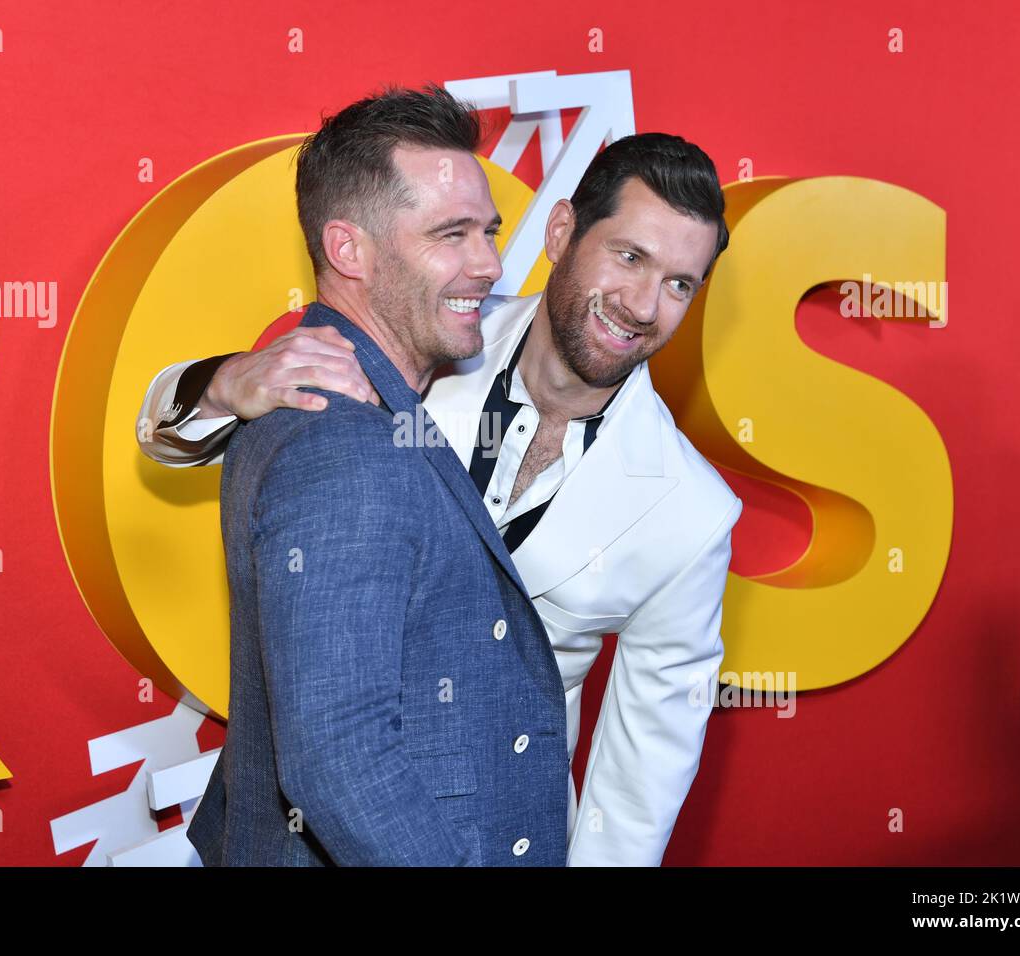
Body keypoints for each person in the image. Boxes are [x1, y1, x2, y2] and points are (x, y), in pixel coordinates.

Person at [145, 129, 742, 866]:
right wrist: (224, 382)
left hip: (498, 829)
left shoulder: (692, 514)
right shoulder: (428, 326)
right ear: (562, 232)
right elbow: (167, 433)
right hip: (304, 821)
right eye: (629, 257)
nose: (644, 304)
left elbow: (639, 778)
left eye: (680, 283)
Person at [183, 85, 570, 866]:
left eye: (489, 231)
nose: (491, 264)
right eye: (451, 234)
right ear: (348, 250)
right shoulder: (346, 446)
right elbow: (339, 761)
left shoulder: (358, 385)